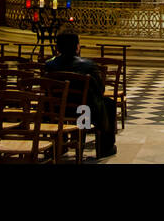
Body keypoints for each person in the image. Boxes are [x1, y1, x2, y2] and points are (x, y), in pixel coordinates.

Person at [44, 31, 116, 159]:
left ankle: (60, 144)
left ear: (57, 47)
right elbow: (100, 90)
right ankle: (106, 147)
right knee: (109, 104)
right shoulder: (88, 65)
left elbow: (45, 88)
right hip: (84, 112)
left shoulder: (49, 65)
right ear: (77, 47)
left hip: (56, 110)